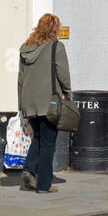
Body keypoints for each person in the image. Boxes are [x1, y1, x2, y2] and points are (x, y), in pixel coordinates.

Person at [18, 13, 70, 193]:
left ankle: (28, 170)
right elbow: (63, 74)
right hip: (49, 103)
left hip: (29, 102)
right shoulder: (56, 47)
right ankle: (44, 184)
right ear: (54, 28)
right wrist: (68, 92)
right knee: (48, 143)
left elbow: (21, 78)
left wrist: (21, 104)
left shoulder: (26, 48)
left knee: (38, 137)